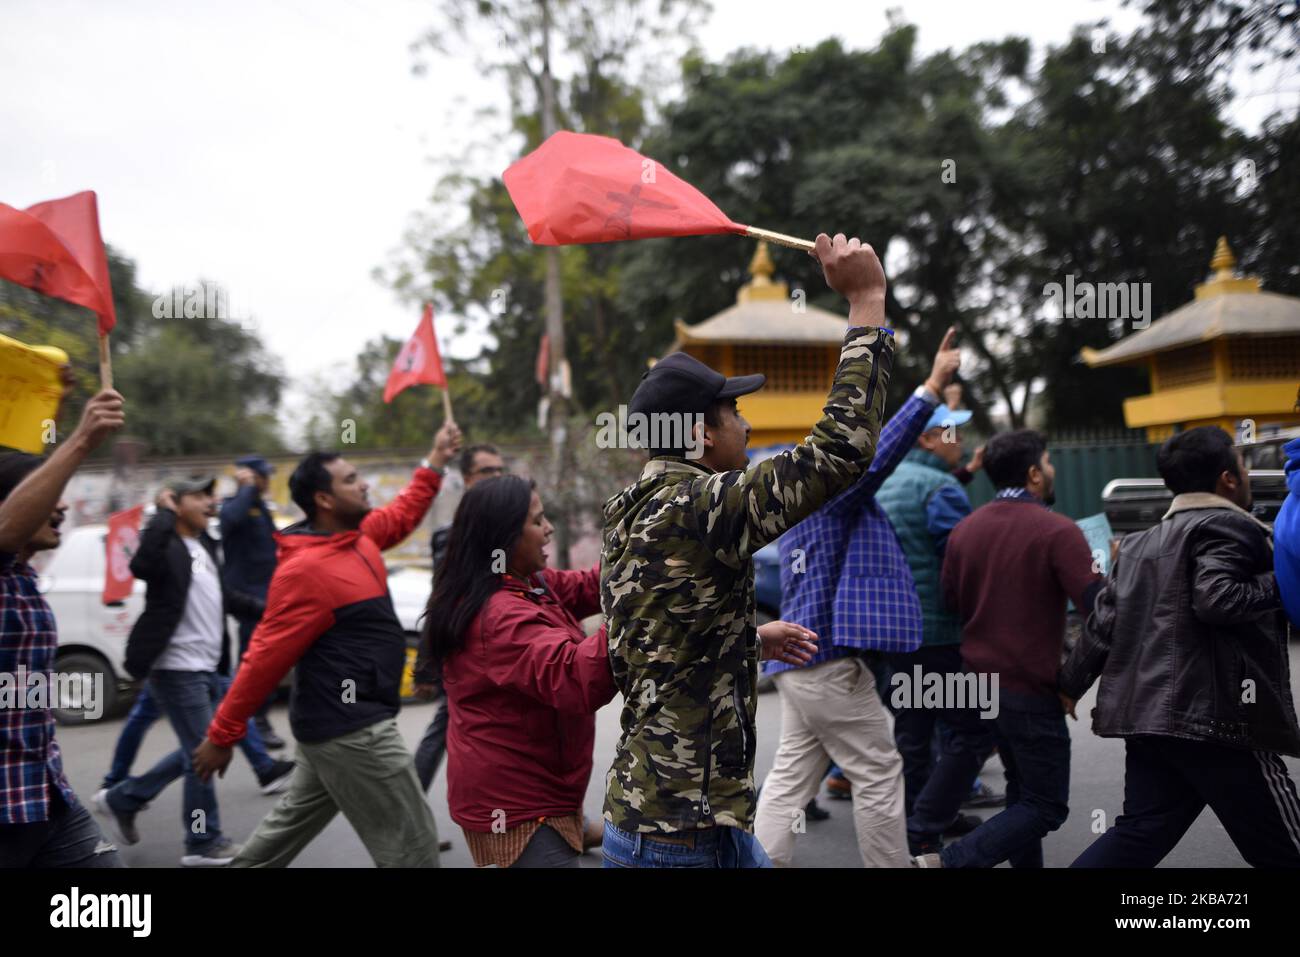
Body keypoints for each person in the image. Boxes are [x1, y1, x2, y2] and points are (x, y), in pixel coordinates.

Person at [600, 232, 892, 868]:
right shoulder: (702, 506)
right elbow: (841, 450)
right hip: (682, 837)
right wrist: (868, 300)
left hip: (667, 816)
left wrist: (747, 641)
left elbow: (653, 644)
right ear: (702, 432)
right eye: (735, 411)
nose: (748, 425)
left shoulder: (628, 511)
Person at [192, 421, 461, 868]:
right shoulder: (305, 570)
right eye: (351, 480)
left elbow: (403, 514)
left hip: (331, 732)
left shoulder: (360, 538)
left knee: (279, 836)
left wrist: (435, 459)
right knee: (414, 850)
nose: (364, 485)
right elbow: (264, 656)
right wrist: (223, 733)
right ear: (324, 499)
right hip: (355, 731)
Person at [753, 328, 962, 867]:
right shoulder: (830, 498)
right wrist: (932, 388)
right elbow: (881, 453)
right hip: (826, 665)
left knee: (788, 781)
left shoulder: (793, 506)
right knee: (879, 770)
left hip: (799, 666)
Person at [1062, 426, 1300, 867]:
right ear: (1228, 479)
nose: (1246, 475)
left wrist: (1069, 685)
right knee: (1288, 846)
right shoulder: (1228, 526)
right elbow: (1218, 597)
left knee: (1141, 832)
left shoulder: (1137, 544)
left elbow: (1102, 625)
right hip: (1220, 720)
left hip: (1150, 719)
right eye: (1243, 466)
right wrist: (1284, 582)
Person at [913, 429, 1103, 867]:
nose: (1052, 470)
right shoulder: (1059, 530)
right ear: (1034, 473)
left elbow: (952, 601)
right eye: (1049, 462)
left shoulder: (965, 530)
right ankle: (947, 863)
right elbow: (1098, 606)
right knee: (1046, 805)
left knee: (1021, 794)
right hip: (1029, 688)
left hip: (974, 683)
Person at [416, 475, 615, 867]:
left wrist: (645, 556)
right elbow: (577, 679)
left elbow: (586, 586)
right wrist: (638, 615)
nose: (549, 529)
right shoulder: (499, 615)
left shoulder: (525, 582)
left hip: (538, 788)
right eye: (538, 521)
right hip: (519, 804)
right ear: (504, 536)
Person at [94, 475, 290, 867]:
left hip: (206, 665)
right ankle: (202, 840)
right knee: (206, 750)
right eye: (199, 495)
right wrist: (162, 512)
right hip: (176, 666)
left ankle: (123, 798)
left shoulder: (203, 546)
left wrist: (268, 610)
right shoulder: (165, 544)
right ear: (176, 503)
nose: (210, 501)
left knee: (206, 747)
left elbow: (222, 598)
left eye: (209, 495)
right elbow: (142, 564)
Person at [0, 387, 126, 867]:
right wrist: (80, 440)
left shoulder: (25, 578)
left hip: (45, 793)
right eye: (49, 494)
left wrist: (49, 397)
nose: (62, 506)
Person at [875, 368, 986, 851]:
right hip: (940, 630)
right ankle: (930, 818)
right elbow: (960, 564)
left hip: (895, 632)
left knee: (914, 728)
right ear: (926, 437)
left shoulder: (886, 484)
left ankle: (921, 818)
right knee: (972, 730)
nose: (959, 442)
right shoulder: (942, 490)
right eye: (952, 432)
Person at [412, 443, 505, 796]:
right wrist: (425, 667)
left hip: (505, 648)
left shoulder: (505, 526)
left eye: (500, 470)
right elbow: (439, 602)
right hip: (470, 656)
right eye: (487, 472)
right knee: (445, 729)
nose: (496, 477)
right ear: (467, 479)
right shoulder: (455, 538)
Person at [220, 454, 285, 749]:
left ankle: (248, 720)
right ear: (248, 477)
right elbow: (229, 520)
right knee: (254, 662)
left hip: (266, 596)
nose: (266, 481)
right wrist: (245, 487)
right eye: (261, 476)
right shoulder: (236, 505)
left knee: (263, 662)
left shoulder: (259, 507)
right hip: (247, 598)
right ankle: (250, 723)